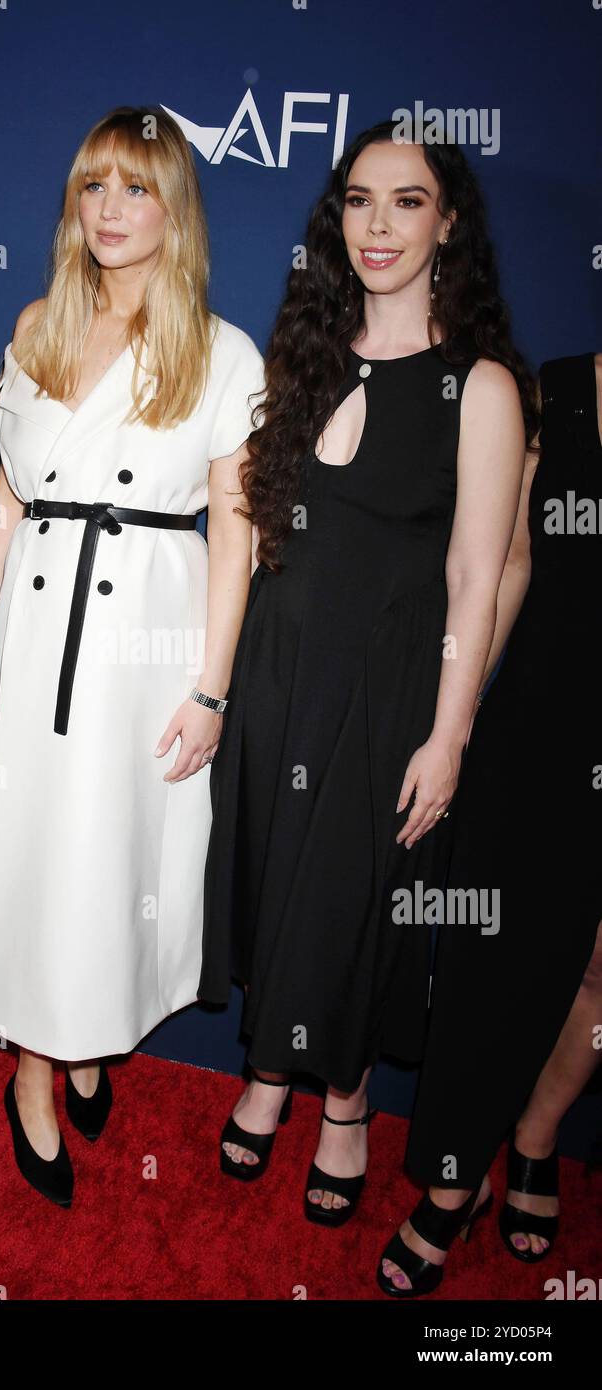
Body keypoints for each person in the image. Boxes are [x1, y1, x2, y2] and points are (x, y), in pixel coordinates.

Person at [199, 120, 534, 1235]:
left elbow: (474, 575)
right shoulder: (299, 357)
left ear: (447, 224)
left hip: (387, 690)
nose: (377, 225)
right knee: (277, 883)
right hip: (276, 678)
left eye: (405, 201)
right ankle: (267, 1072)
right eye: (356, 201)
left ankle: (340, 1105)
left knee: (353, 906)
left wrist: (448, 736)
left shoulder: (475, 384)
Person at [0, 106, 266, 1206]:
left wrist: (210, 686)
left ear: (173, 206)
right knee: (42, 851)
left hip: (148, 629)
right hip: (41, 622)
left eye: (135, 188)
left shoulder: (221, 349)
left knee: (116, 853)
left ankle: (89, 1029)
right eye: (93, 186)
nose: (109, 209)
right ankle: (34, 1073)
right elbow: (6, 502)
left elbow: (233, 531)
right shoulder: (39, 322)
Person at [379, 351, 602, 1295]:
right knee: (496, 959)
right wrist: (455, 725)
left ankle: (537, 1138)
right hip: (546, 721)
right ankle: (456, 1171)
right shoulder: (555, 390)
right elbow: (505, 559)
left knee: (597, 967)